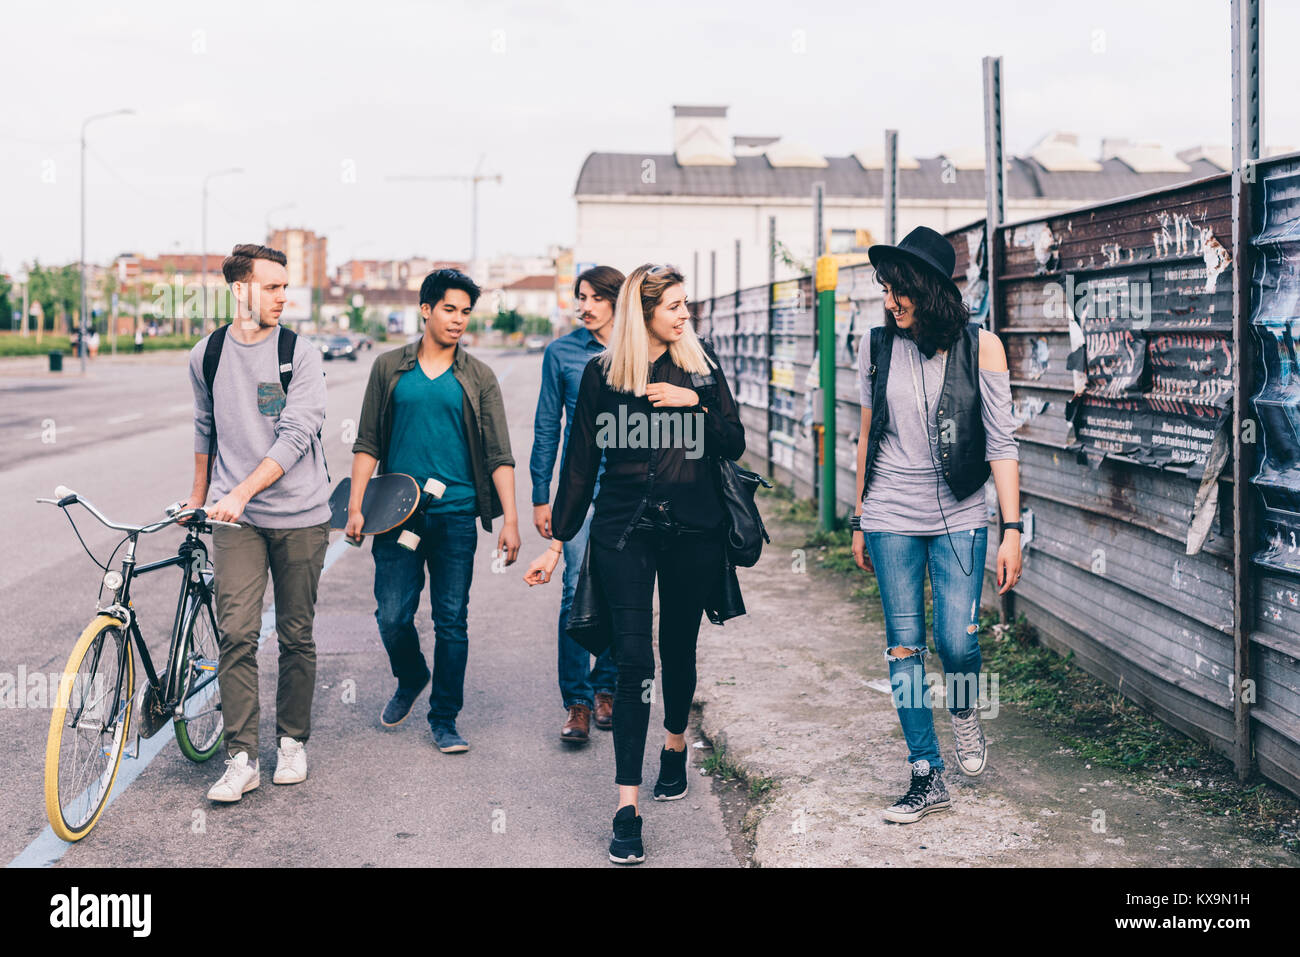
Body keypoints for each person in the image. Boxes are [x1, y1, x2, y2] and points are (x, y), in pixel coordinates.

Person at [531, 264, 745, 864]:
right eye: (673, 306)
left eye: (685, 305)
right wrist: (556, 543)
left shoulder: (702, 369)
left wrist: (694, 402)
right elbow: (579, 463)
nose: (685, 315)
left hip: (695, 529)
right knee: (632, 661)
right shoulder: (602, 374)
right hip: (623, 529)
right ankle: (627, 807)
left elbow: (733, 440)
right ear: (643, 313)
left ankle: (674, 745)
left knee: (677, 647)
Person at [850, 226, 1023, 824]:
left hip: (962, 513)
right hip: (890, 511)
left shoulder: (984, 348)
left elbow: (1002, 442)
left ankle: (966, 709)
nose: (890, 300)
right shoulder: (875, 347)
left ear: (929, 290)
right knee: (904, 647)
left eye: (899, 290)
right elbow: (868, 436)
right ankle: (927, 773)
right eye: (885, 288)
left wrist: (1012, 528)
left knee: (957, 641)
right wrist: (858, 516)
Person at [349, 268, 520, 754]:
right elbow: (367, 441)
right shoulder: (388, 368)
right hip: (398, 516)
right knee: (392, 616)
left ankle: (444, 717)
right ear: (425, 309)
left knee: (451, 619)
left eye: (466, 312)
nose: (458, 320)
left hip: (456, 514)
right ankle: (411, 674)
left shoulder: (479, 376)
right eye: (449, 309)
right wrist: (357, 505)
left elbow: (499, 455)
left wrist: (510, 519)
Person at [186, 243, 331, 803]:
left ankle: (292, 741)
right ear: (239, 290)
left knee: (295, 634)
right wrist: (199, 498)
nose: (282, 297)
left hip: (299, 516)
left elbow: (295, 435)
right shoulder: (208, 354)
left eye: (283, 286)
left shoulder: (300, 353)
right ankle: (241, 756)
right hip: (234, 519)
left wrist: (240, 492)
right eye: (271, 286)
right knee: (236, 633)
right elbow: (205, 426)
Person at [523, 266, 623, 744]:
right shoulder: (561, 353)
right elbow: (548, 425)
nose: (583, 306)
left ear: (615, 301)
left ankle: (608, 688)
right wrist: (542, 494)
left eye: (593, 298)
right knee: (574, 591)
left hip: (627, 489)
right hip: (578, 491)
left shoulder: (637, 350)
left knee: (619, 590)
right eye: (579, 297)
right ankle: (578, 701)